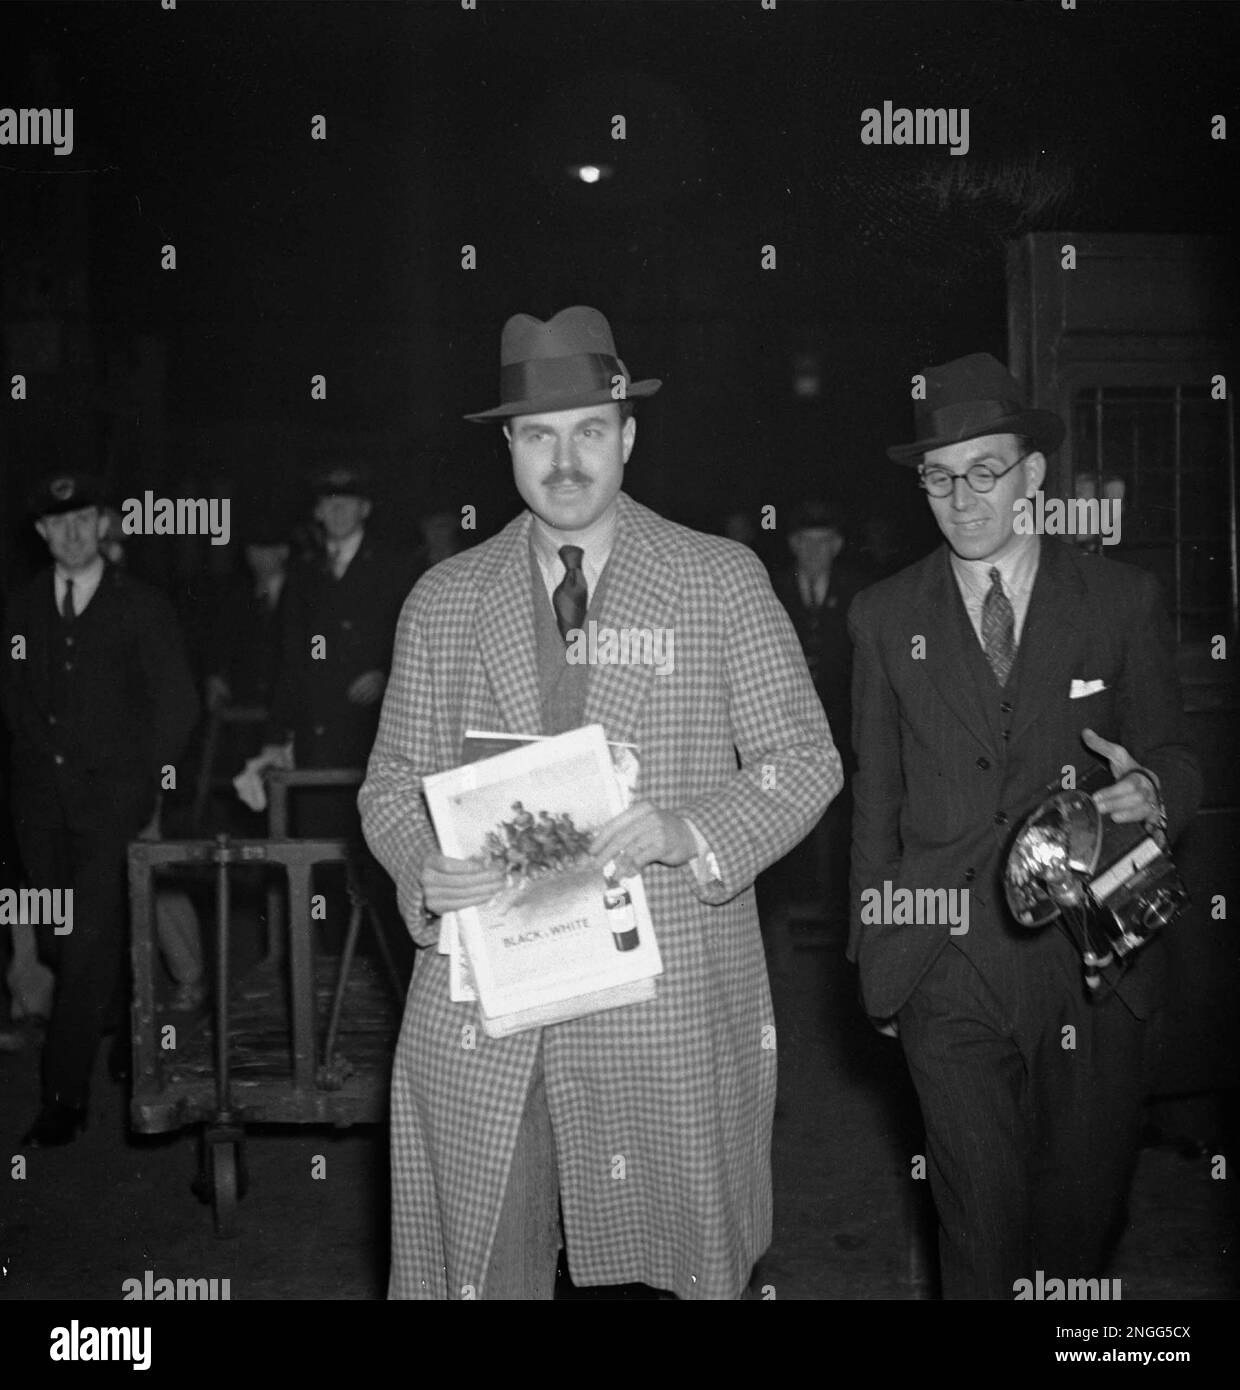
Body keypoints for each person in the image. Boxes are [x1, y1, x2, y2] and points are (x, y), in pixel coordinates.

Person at [359, 305, 841, 1300]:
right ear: (508, 447)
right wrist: (422, 864)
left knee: (663, 1276)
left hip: (659, 1009)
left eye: (589, 431)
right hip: (485, 1009)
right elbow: (389, 780)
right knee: (485, 1273)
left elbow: (805, 759)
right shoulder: (443, 600)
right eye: (538, 435)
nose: (564, 460)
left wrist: (688, 829)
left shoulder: (718, 581)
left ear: (627, 436)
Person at [847, 353, 1202, 1299]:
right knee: (978, 1233)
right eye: (938, 476)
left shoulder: (1121, 600)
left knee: (1074, 1239)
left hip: (1091, 962)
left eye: (985, 471)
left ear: (1034, 475)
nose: (961, 499)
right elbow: (873, 806)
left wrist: (1153, 788)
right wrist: (882, 962)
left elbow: (1176, 751)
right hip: (947, 962)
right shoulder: (884, 618)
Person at [1, 472, 199, 1146]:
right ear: (41, 533)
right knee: (64, 940)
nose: (72, 532)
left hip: (113, 802)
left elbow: (178, 702)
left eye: (84, 518)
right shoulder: (22, 609)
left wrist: (146, 784)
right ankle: (121, 1017)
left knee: (83, 940)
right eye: (58, 523)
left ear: (104, 523)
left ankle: (64, 1096)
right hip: (40, 807)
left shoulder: (141, 606)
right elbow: (13, 696)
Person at [246, 465, 417, 838]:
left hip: (374, 732)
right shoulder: (303, 574)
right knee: (316, 846)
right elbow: (289, 659)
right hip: (316, 734)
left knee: (374, 845)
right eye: (329, 504)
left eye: (348, 503)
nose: (338, 512)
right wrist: (276, 738)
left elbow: (419, 640)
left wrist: (385, 673)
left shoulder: (397, 567)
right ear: (318, 512)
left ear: (365, 509)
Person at [771, 501, 869, 917]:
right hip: (786, 721)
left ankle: (837, 899)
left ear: (837, 546)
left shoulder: (859, 592)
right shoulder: (773, 588)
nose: (814, 552)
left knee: (844, 812)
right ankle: (798, 898)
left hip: (843, 720)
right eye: (806, 543)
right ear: (793, 546)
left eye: (823, 543)